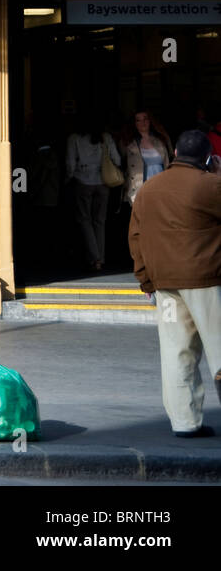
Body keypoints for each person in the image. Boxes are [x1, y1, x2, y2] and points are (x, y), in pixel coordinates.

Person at [128, 131, 221, 438]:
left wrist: (145, 280)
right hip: (207, 280)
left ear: (177, 151)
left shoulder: (149, 188)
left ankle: (185, 422)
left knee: (176, 353)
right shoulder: (210, 184)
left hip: (165, 283)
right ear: (208, 158)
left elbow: (136, 237)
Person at [66, 117, 121, 271]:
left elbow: (70, 164)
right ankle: (100, 258)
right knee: (100, 221)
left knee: (85, 220)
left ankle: (95, 257)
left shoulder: (74, 138)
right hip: (103, 182)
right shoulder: (106, 137)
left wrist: (67, 179)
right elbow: (117, 160)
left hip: (82, 181)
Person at [122, 110, 173, 207]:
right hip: (139, 190)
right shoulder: (127, 142)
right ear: (134, 123)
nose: (143, 122)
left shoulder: (161, 139)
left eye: (145, 119)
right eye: (138, 120)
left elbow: (170, 161)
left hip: (160, 189)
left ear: (150, 121)